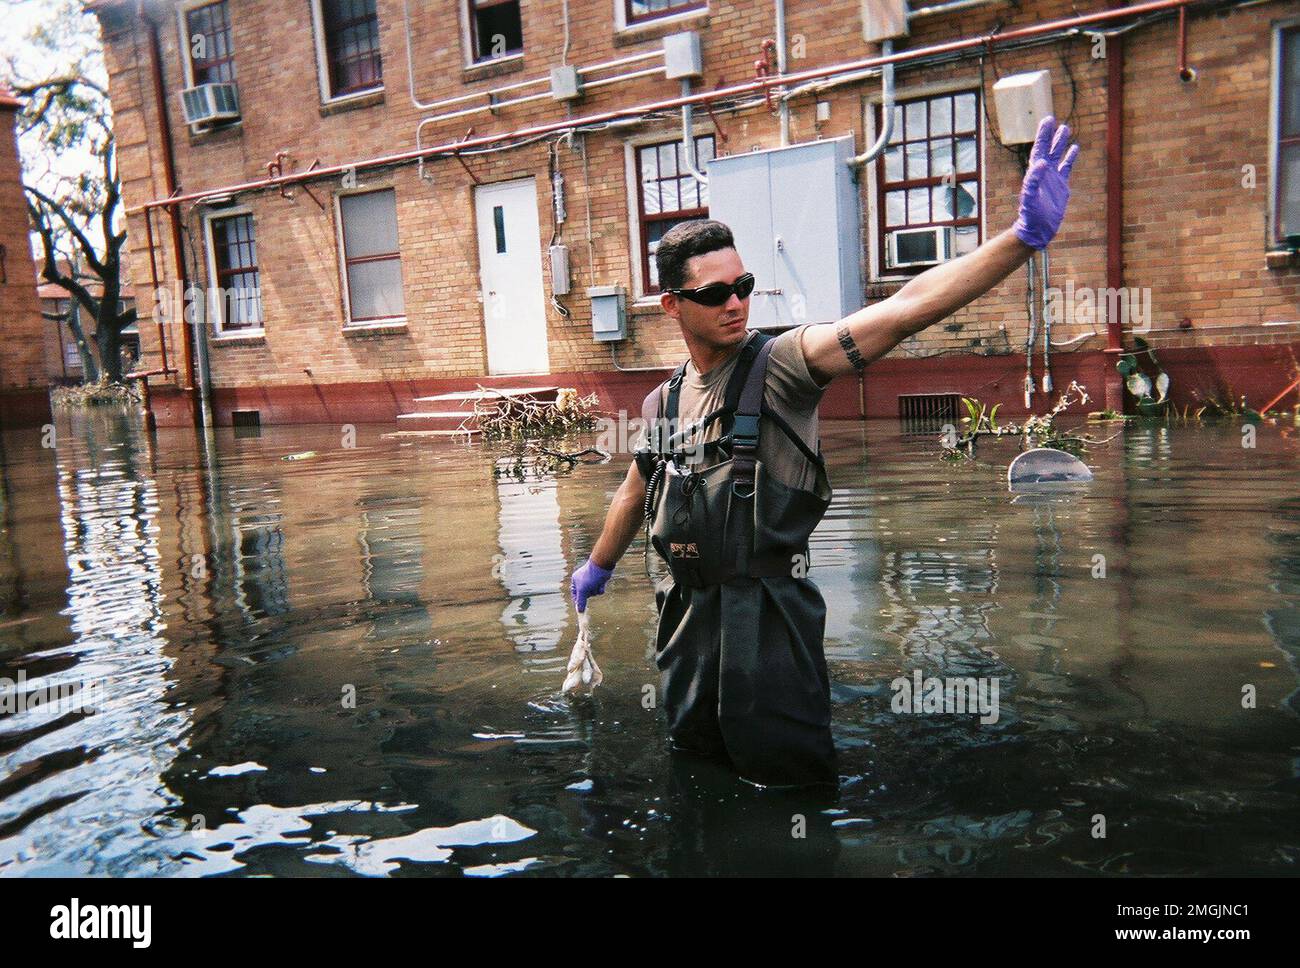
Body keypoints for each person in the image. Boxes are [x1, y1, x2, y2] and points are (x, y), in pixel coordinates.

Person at [571, 115, 1080, 788]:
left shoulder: (785, 364)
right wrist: (595, 567)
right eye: (716, 293)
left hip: (768, 621)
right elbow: (638, 489)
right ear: (671, 305)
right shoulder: (663, 402)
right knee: (697, 771)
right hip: (684, 620)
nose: (737, 303)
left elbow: (903, 309)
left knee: (786, 782)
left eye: (744, 285)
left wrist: (1019, 242)